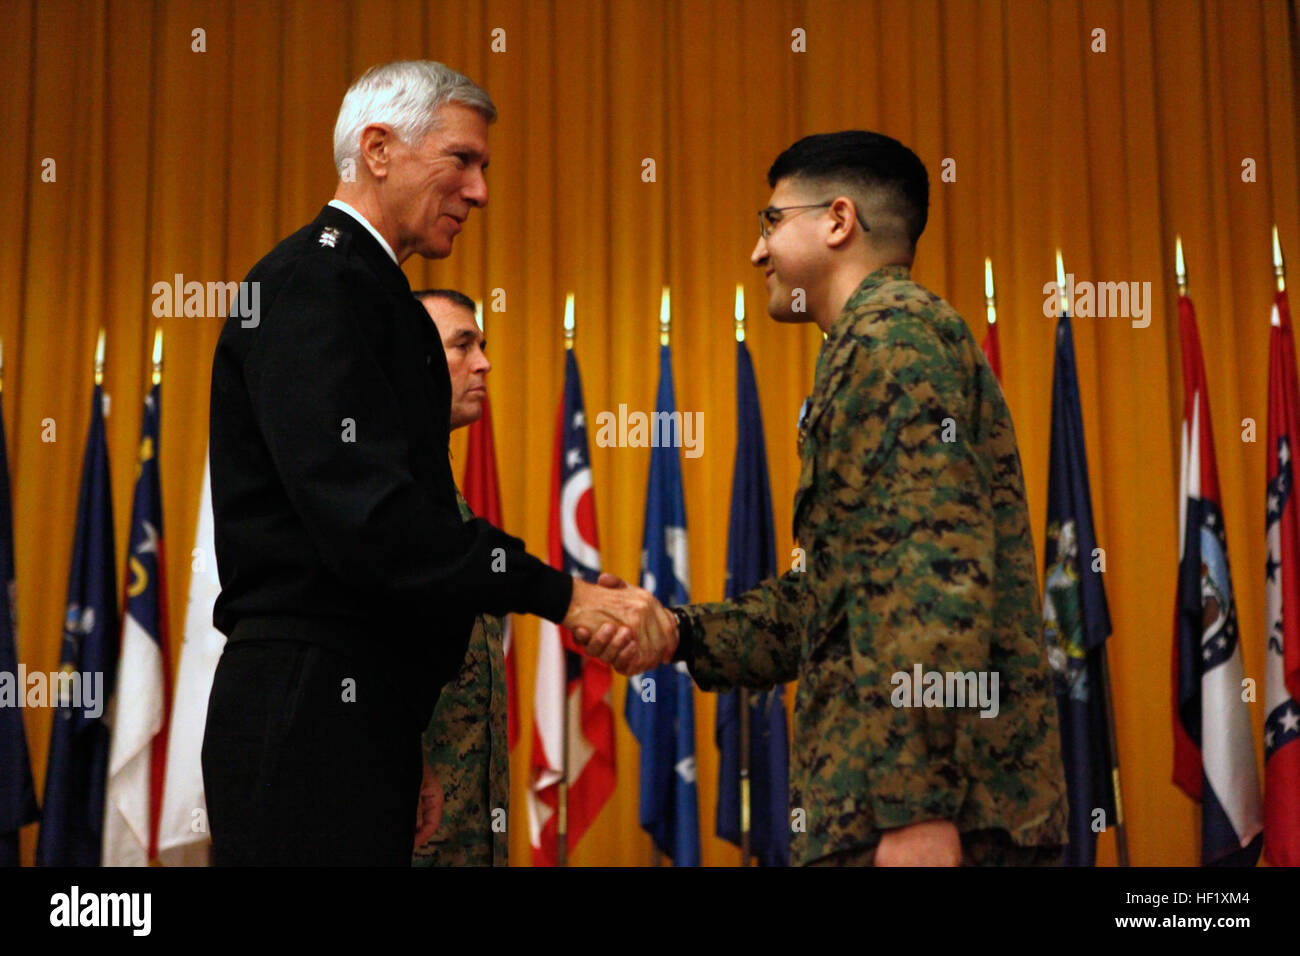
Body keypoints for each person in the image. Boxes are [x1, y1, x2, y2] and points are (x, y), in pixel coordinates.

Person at [203, 60, 674, 866]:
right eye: (462, 159)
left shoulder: (365, 292)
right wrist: (564, 595)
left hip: (350, 709)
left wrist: (398, 725)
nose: (480, 190)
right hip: (305, 711)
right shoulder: (317, 287)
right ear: (379, 150)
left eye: (481, 166)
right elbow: (375, 524)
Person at [577, 130, 1069, 866]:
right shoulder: (869, 348)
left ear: (838, 221)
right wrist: (678, 631)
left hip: (919, 824)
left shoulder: (893, 340)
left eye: (770, 221)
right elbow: (826, 603)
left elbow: (934, 583)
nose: (757, 251)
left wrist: (916, 813)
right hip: (879, 815)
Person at [411, 288, 509, 866]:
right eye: (462, 344)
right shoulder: (383, 502)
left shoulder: (450, 506)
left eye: (483, 344)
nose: (483, 361)